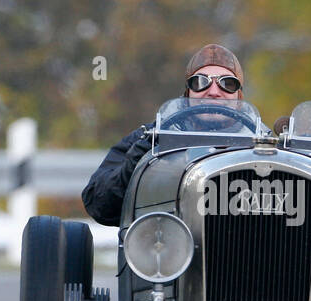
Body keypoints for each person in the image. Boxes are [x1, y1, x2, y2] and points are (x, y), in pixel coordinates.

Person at [81, 44, 245, 227]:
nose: (214, 92)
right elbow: (98, 205)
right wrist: (136, 163)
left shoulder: (264, 147)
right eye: (200, 82)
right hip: (164, 247)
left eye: (227, 83)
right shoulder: (150, 138)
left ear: (239, 97)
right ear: (187, 93)